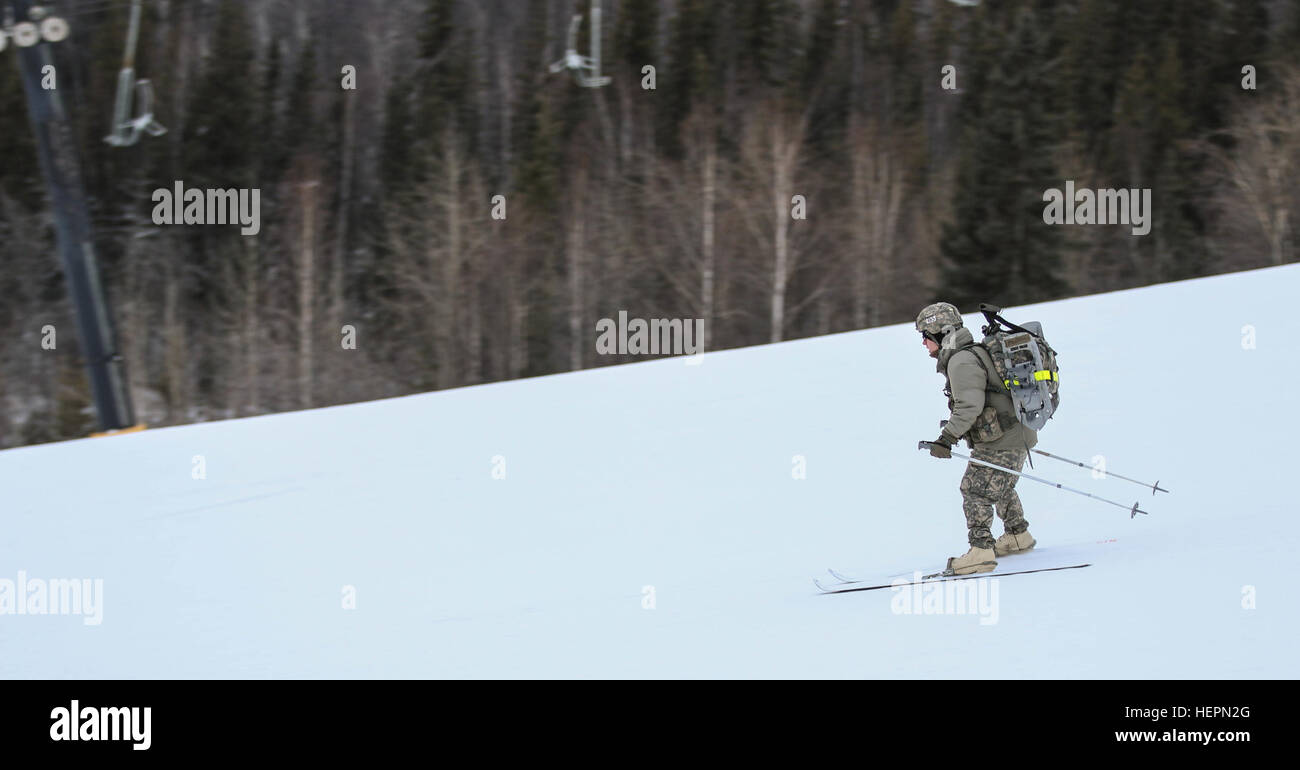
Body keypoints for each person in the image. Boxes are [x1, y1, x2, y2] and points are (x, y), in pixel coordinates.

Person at [915, 302, 1037, 575]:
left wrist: (946, 438)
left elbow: (969, 407)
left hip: (1002, 440)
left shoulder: (961, 360)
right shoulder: (971, 353)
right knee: (1000, 485)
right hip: (1015, 433)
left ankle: (981, 552)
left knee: (974, 490)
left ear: (942, 333)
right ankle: (1018, 535)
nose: (923, 342)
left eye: (925, 335)